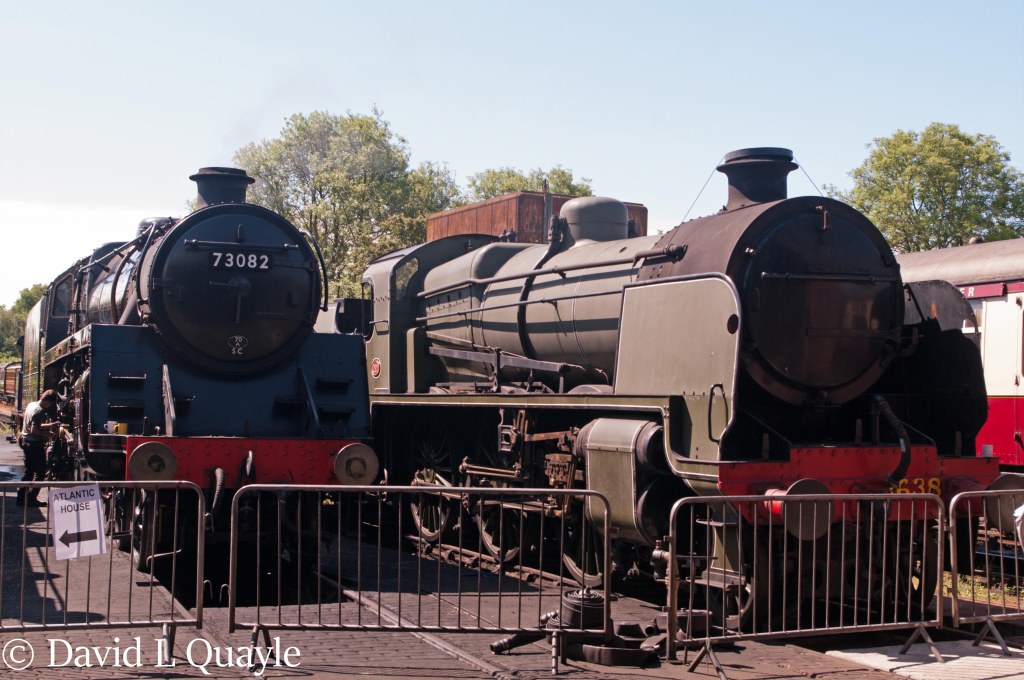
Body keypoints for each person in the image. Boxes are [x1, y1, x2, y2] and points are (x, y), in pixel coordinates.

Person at [18, 389, 57, 507]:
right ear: (49, 402)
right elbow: (34, 430)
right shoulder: (39, 411)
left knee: (28, 471)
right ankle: (31, 498)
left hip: (25, 441)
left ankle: (21, 499)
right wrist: (48, 434)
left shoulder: (32, 405)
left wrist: (49, 425)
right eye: (51, 404)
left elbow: (33, 424)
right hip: (33, 444)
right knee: (40, 472)